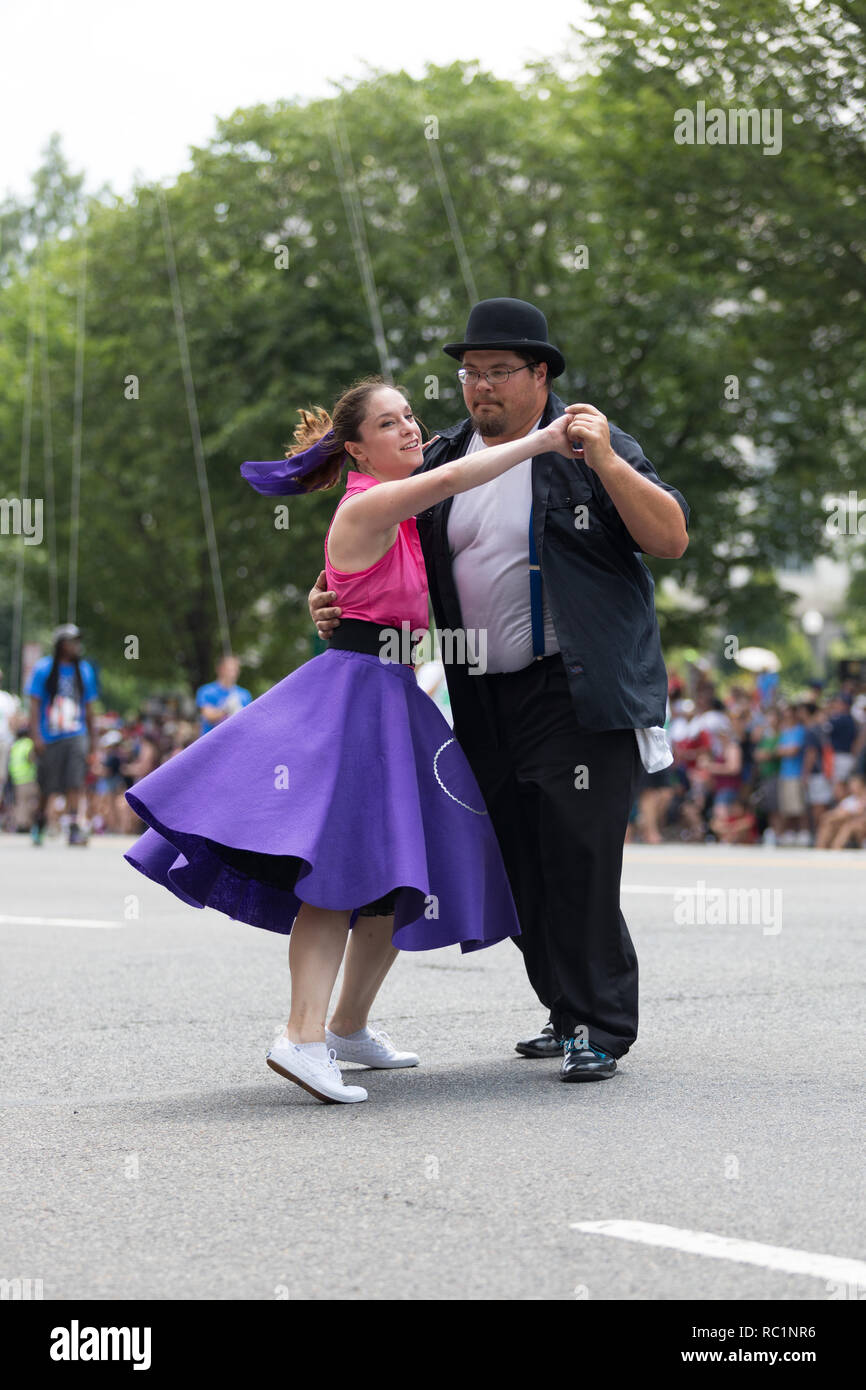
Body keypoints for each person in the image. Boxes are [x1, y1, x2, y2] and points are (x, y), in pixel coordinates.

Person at [123, 375, 576, 1105]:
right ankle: (299, 1039)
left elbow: (381, 568)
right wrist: (546, 439)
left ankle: (345, 1028)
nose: (408, 430)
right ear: (357, 446)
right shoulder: (372, 502)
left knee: (395, 880)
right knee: (333, 880)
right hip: (354, 697)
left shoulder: (396, 515)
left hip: (393, 696)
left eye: (411, 418)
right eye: (389, 422)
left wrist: (321, 593)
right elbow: (457, 473)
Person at [310, 298, 689, 1080]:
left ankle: (601, 1025)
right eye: (468, 374)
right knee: (512, 857)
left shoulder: (587, 446)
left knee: (577, 855)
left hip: (577, 689)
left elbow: (671, 537)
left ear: (539, 375)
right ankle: (563, 1006)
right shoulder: (446, 459)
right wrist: (329, 599)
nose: (479, 388)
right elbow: (379, 549)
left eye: (497, 373)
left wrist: (610, 460)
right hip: (478, 691)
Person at [25, 624, 100, 846]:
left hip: (76, 733)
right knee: (47, 785)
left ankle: (74, 828)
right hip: (50, 735)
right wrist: (35, 736)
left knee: (75, 783)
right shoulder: (44, 668)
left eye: (77, 641)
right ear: (60, 644)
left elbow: (89, 709)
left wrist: (94, 743)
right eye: (71, 641)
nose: (76, 645)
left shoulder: (84, 670)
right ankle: (39, 823)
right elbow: (34, 705)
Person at [195, 655, 252, 736]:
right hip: (212, 741)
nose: (234, 672)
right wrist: (226, 709)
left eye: (236, 669)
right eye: (230, 669)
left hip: (236, 740)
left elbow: (248, 721)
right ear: (220, 669)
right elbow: (208, 716)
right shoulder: (206, 691)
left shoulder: (245, 694)